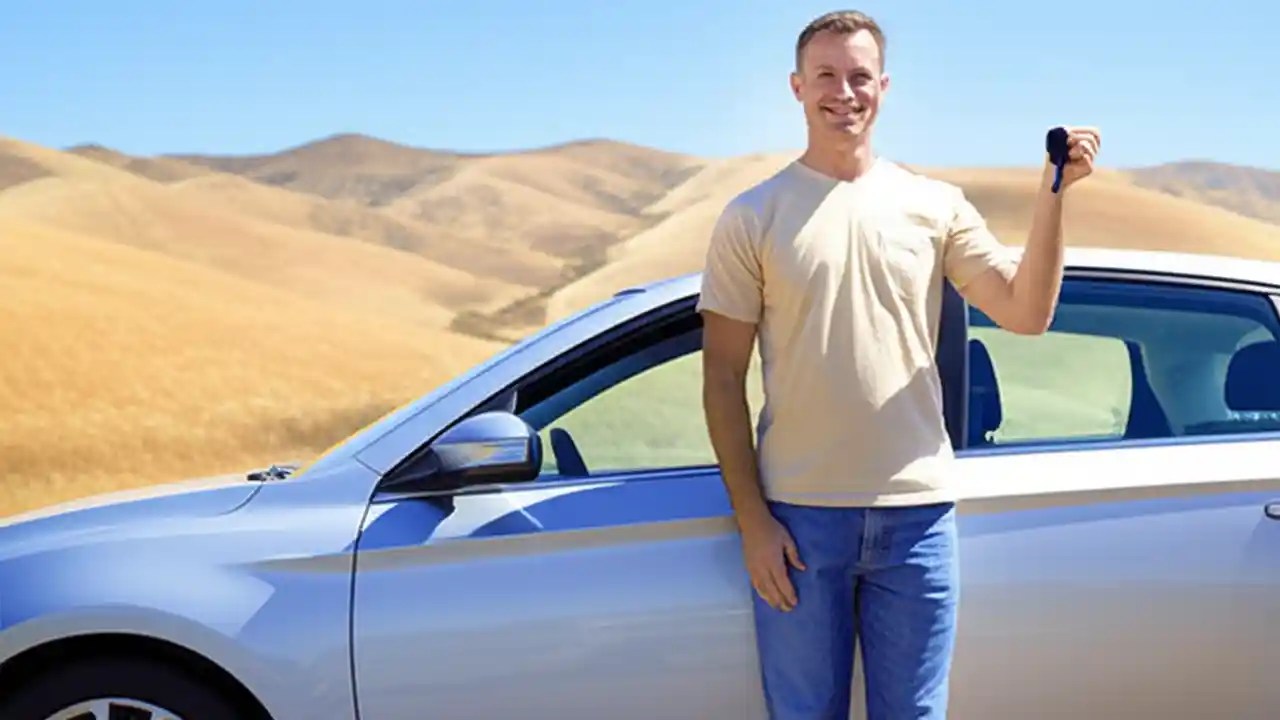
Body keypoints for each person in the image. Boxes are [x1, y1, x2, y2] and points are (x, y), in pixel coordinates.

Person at [697, 9, 1100, 720]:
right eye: (826, 75)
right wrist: (754, 524)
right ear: (796, 87)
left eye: (859, 77)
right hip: (799, 524)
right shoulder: (752, 216)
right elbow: (722, 377)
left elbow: (1026, 313)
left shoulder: (934, 206)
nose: (843, 92)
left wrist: (1054, 192)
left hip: (918, 520)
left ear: (883, 87)